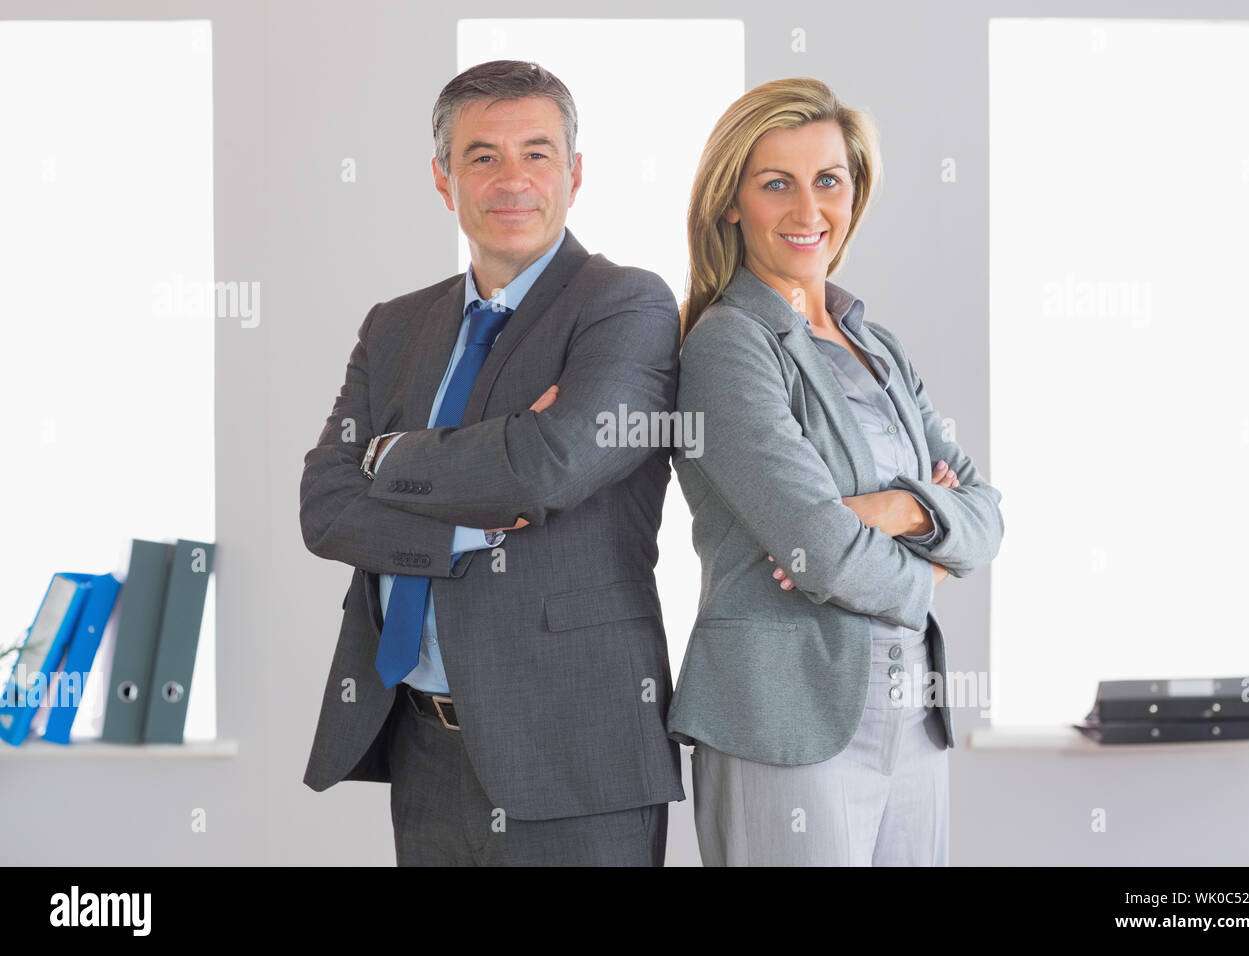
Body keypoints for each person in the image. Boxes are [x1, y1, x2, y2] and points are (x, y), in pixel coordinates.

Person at [300, 59, 683, 866]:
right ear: (444, 181)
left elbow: (553, 464)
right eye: (483, 157)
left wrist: (391, 457)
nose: (513, 180)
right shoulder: (396, 326)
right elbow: (326, 503)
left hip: (577, 754)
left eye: (537, 153)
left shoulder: (628, 305)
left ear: (574, 174)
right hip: (422, 744)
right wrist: (462, 527)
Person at [667, 77, 1004, 866]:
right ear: (730, 203)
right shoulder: (727, 347)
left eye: (829, 181)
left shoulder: (875, 343)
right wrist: (932, 559)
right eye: (775, 183)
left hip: (910, 706)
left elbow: (986, 515)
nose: (807, 209)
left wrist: (891, 507)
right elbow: (819, 545)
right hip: (782, 715)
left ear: (855, 192)